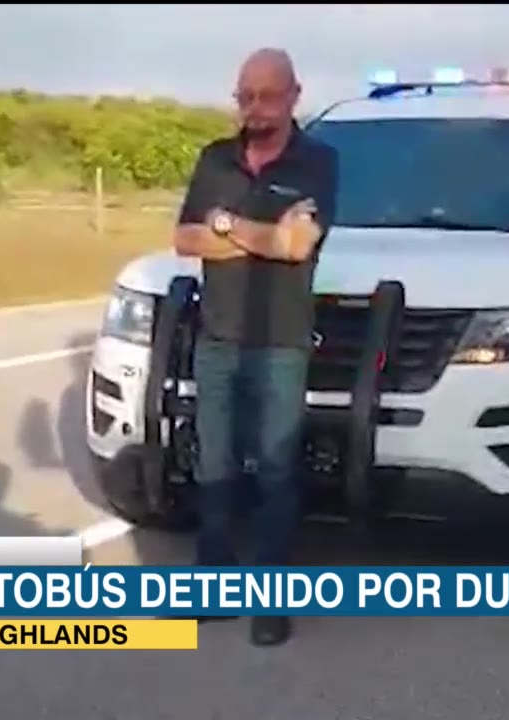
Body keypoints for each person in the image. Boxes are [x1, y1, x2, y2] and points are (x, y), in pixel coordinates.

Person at [172, 48, 339, 647]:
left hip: (280, 344)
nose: (254, 108)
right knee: (212, 465)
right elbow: (183, 238)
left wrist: (227, 225)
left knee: (274, 471)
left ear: (294, 95)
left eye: (267, 96)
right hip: (217, 337)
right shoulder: (214, 158)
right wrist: (263, 235)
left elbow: (298, 246)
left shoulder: (318, 162)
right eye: (245, 96)